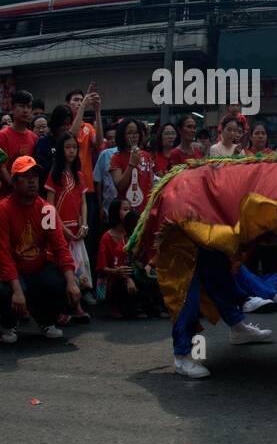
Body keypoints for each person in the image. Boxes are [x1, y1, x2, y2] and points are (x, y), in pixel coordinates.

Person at [0, 156, 81, 343]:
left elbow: (60, 248)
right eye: (25, 176)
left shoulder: (46, 210)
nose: (32, 181)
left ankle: (46, 320)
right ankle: (8, 323)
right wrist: (18, 292)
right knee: (5, 291)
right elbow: (3, 255)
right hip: (14, 274)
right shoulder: (4, 210)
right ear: (14, 181)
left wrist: (71, 282)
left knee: (64, 281)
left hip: (37, 270)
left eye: (35, 176)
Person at [170, 246, 274, 378]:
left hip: (201, 234)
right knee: (187, 291)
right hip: (178, 238)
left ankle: (238, 325)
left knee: (218, 265)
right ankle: (181, 355)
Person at [44, 132, 94, 319]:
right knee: (63, 270)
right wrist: (62, 230)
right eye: (67, 147)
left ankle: (77, 307)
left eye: (74, 147)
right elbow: (49, 207)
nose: (71, 151)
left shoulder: (79, 175)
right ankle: (63, 310)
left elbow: (83, 203)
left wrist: (85, 224)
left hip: (76, 229)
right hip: (59, 231)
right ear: (60, 150)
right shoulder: (54, 175)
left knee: (78, 268)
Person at [96, 201, 165, 319]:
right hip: (118, 278)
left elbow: (153, 256)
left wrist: (148, 267)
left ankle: (154, 307)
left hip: (138, 273)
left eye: (130, 209)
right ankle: (127, 307)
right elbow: (102, 268)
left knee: (153, 278)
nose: (129, 212)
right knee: (129, 282)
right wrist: (119, 273)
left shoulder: (139, 238)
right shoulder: (114, 241)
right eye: (125, 209)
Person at [109, 118, 156, 214]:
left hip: (145, 208)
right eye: (129, 133)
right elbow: (119, 186)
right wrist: (131, 164)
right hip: (127, 210)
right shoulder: (116, 157)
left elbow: (150, 183)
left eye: (136, 133)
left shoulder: (146, 155)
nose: (134, 136)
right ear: (122, 135)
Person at [0, 90, 38, 197]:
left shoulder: (34, 137)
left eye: (29, 107)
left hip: (29, 196)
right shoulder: (2, 136)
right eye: (21, 106)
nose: (25, 110)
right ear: (12, 108)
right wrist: (15, 189)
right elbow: (2, 168)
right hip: (8, 196)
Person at [93, 127, 118, 226]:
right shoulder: (104, 154)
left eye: (115, 137)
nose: (113, 140)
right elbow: (98, 182)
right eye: (109, 138)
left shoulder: (128, 153)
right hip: (108, 204)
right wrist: (100, 207)